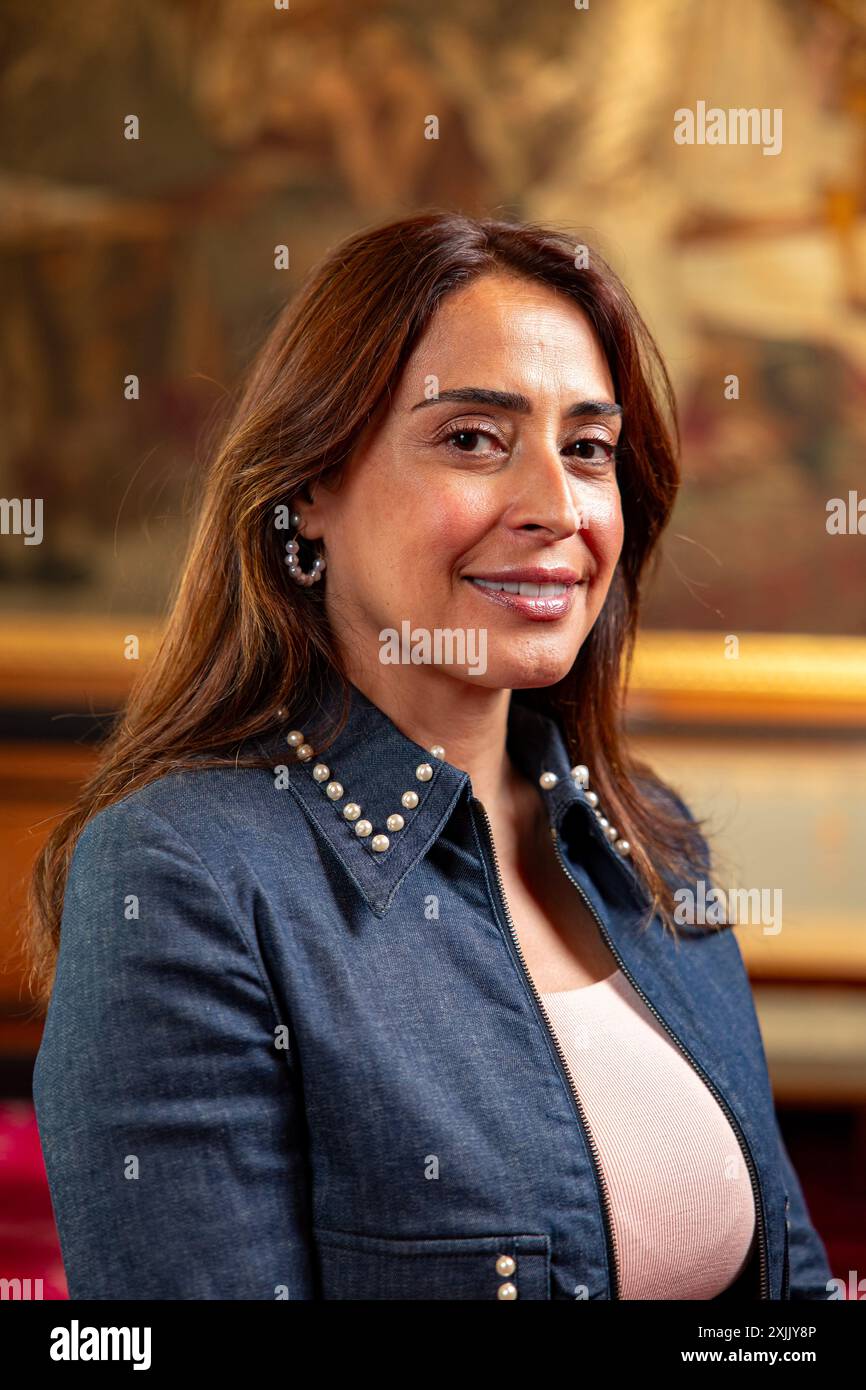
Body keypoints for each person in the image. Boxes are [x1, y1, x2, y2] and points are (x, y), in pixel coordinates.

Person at [29, 211, 832, 1300]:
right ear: (308, 489)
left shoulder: (646, 835)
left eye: (586, 449)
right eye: (470, 439)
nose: (556, 508)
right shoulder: (180, 876)